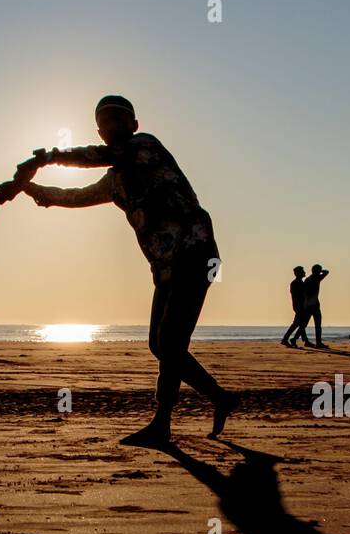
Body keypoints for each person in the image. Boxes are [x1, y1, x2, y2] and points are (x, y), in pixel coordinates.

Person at [18, 95, 237, 444]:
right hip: (164, 267)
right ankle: (217, 400)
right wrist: (30, 189)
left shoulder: (145, 145)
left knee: (170, 342)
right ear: (100, 131)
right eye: (106, 123)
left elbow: (96, 156)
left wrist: (49, 157)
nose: (113, 127)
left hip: (195, 252)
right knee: (161, 344)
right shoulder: (115, 180)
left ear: (134, 125)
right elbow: (76, 196)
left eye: (120, 120)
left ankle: (167, 423)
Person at [299, 264, 330, 348]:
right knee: (317, 324)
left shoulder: (307, 279)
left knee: (304, 324)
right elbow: (327, 272)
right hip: (314, 304)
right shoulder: (316, 278)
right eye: (319, 271)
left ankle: (302, 339)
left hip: (308, 304)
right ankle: (318, 342)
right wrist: (321, 271)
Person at [281, 266, 310, 347]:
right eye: (303, 271)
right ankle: (285, 339)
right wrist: (302, 306)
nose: (304, 272)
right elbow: (299, 296)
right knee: (297, 324)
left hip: (299, 306)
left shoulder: (298, 282)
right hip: (299, 306)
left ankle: (305, 340)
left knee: (301, 324)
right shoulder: (297, 283)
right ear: (298, 273)